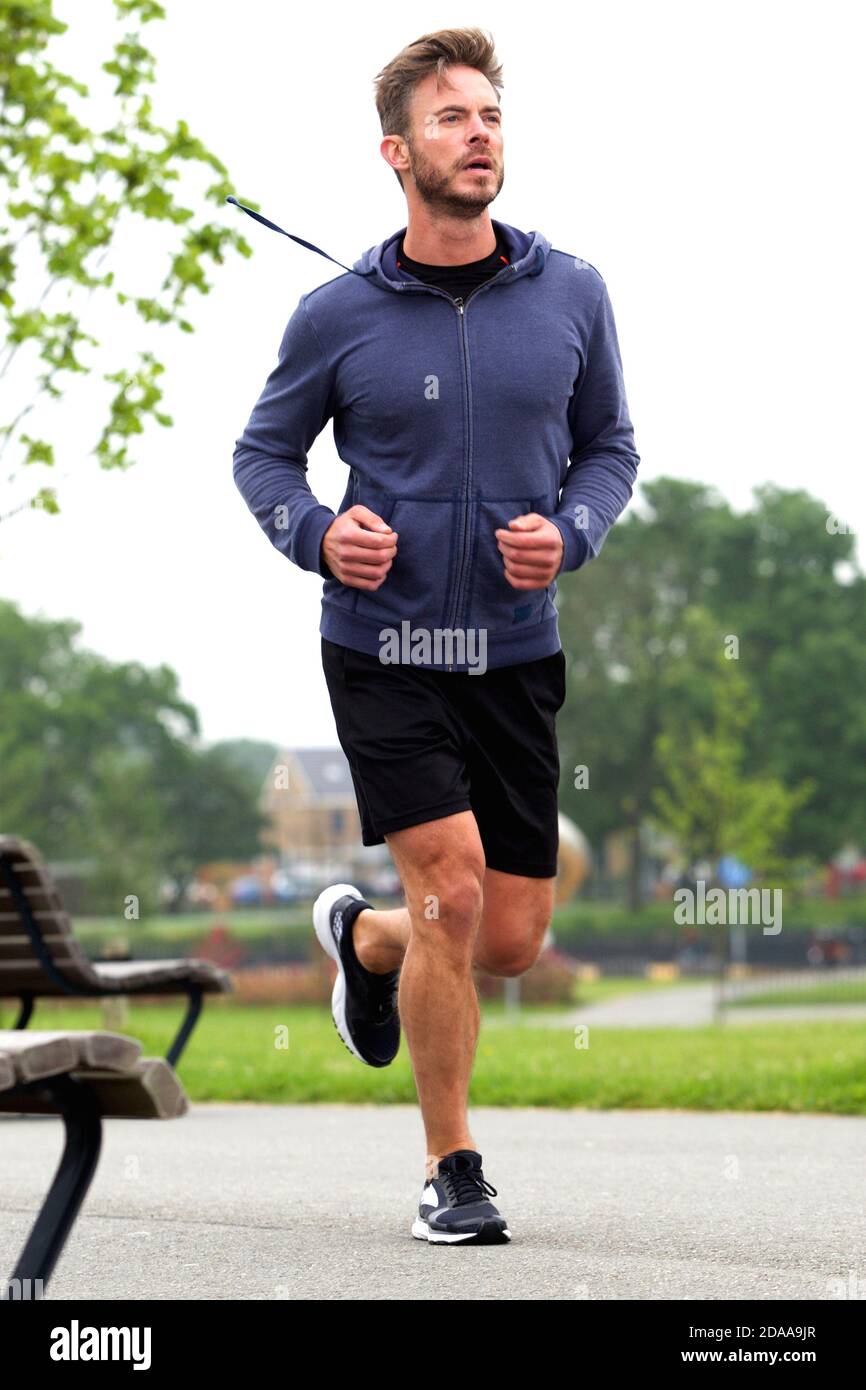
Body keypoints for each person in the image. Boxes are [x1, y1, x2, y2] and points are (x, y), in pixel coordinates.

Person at [232, 26, 640, 1245]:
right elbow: (261, 457)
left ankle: (364, 939)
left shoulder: (571, 292)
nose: (480, 134)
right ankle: (449, 1168)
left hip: (513, 652)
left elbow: (610, 449)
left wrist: (569, 533)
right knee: (453, 893)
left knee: (508, 936)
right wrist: (316, 533)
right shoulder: (335, 315)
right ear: (395, 150)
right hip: (384, 648)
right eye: (453, 117)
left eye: (491, 116)